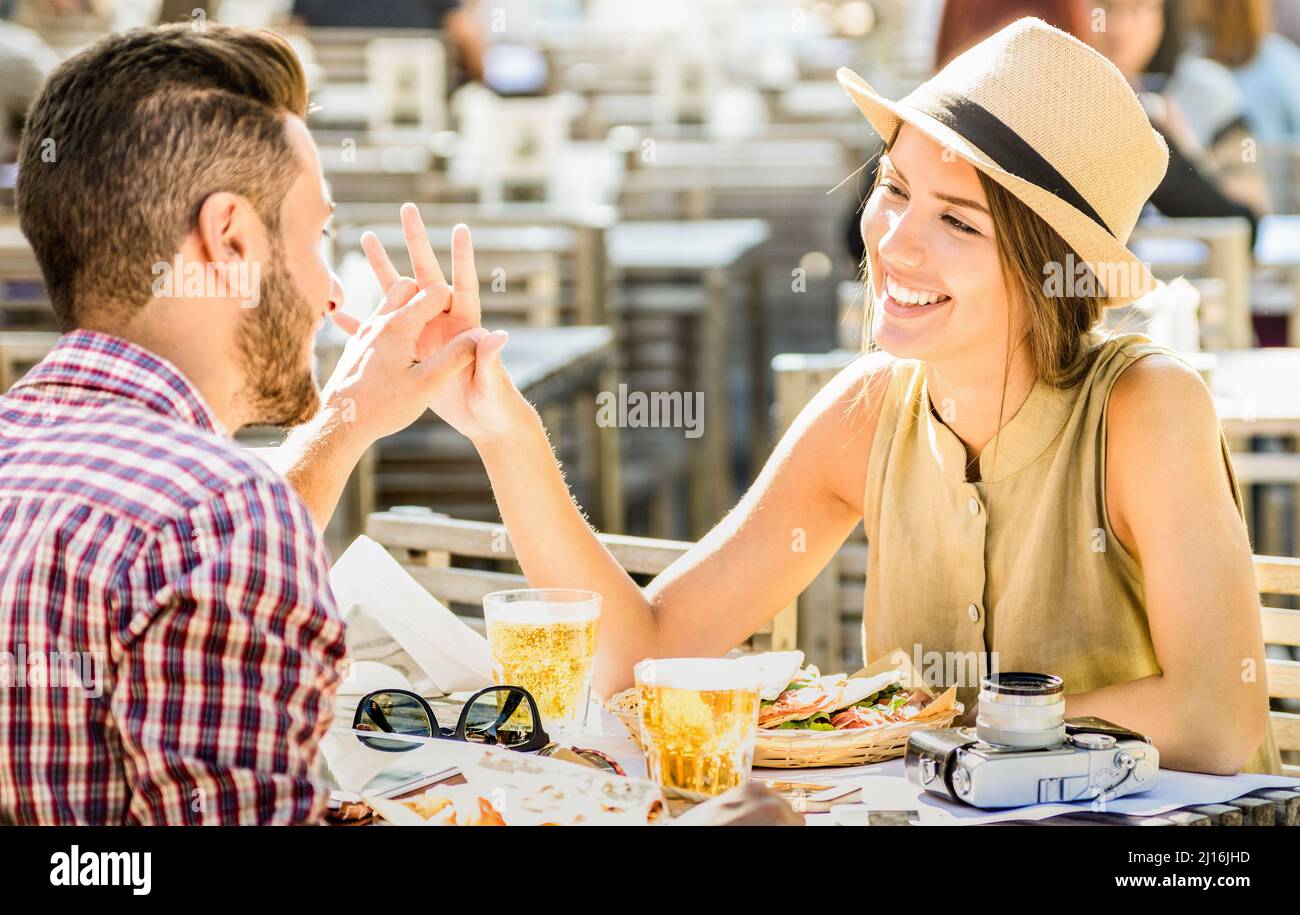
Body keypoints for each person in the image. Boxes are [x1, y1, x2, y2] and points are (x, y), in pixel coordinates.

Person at [391, 19, 1279, 775]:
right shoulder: (868, 410)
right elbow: (648, 650)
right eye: (894, 188)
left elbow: (1218, 720)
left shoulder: (1143, 408)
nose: (895, 240)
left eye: (957, 220)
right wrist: (501, 429)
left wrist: (941, 739)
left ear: (1051, 273)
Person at [0, 23, 491, 824]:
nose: (334, 294)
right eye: (317, 235)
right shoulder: (220, 521)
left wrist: (342, 420)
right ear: (230, 237)